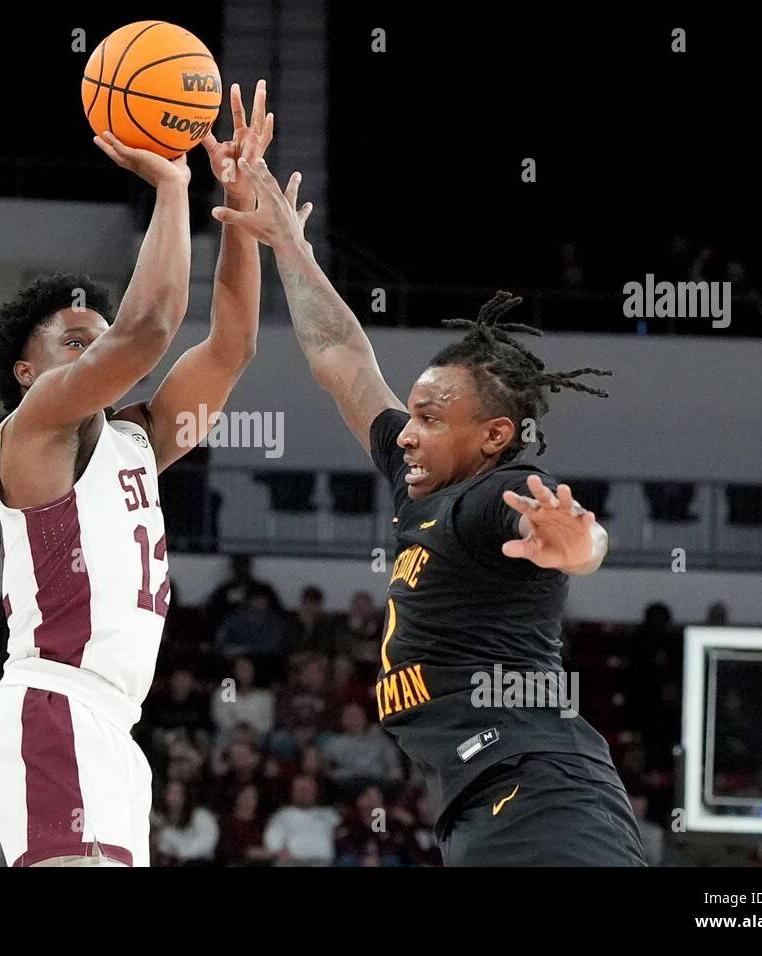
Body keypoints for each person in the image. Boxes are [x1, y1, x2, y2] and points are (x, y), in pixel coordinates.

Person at [218, 157, 644, 866]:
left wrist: (576, 546)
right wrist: (289, 245)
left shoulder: (488, 499)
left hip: (542, 796)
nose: (406, 431)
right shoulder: (419, 479)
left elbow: (577, 540)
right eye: (409, 415)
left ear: (494, 437)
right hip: (484, 801)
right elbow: (340, 357)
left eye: (429, 417)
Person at [0, 80, 272, 868]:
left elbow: (231, 348)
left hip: (111, 727)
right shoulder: (31, 433)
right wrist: (173, 185)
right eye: (76, 342)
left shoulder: (134, 440)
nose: (97, 352)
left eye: (96, 338)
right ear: (27, 371)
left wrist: (235, 212)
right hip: (51, 707)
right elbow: (146, 330)